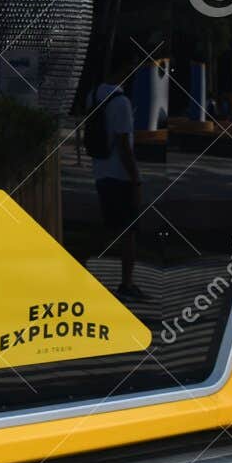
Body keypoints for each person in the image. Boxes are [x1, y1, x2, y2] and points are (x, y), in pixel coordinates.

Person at [86, 60, 145, 301]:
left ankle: (83, 273)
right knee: (129, 232)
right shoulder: (121, 102)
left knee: (107, 227)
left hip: (101, 171)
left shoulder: (93, 96)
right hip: (121, 175)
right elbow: (123, 145)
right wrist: (136, 178)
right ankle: (127, 284)